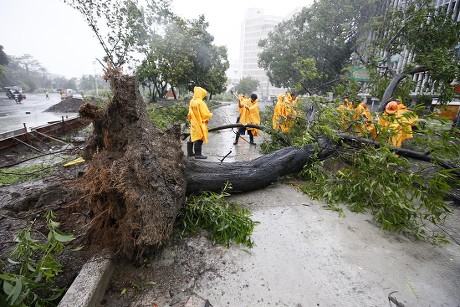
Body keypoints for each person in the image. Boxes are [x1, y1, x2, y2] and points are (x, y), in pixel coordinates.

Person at [187, 86, 212, 159]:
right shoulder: (201, 103)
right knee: (200, 137)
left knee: (193, 136)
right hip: (200, 123)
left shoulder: (192, 101)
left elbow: (189, 114)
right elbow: (206, 114)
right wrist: (209, 117)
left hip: (193, 123)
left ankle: (190, 153)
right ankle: (198, 154)